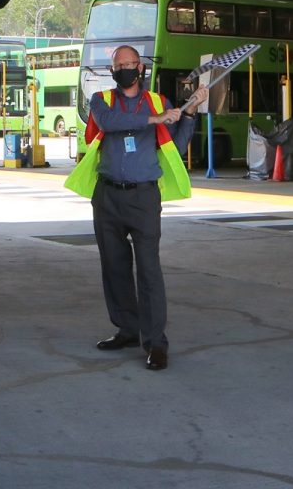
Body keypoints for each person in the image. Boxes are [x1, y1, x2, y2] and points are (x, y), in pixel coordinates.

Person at [86, 44, 206, 371]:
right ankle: (126, 329)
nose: (125, 69)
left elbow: (174, 146)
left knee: (149, 270)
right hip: (108, 196)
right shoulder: (102, 101)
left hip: (143, 197)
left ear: (141, 68)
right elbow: (112, 124)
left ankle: (155, 343)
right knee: (114, 266)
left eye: (131, 64)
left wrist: (191, 111)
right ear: (113, 71)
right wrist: (156, 118)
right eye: (119, 65)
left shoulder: (159, 102)